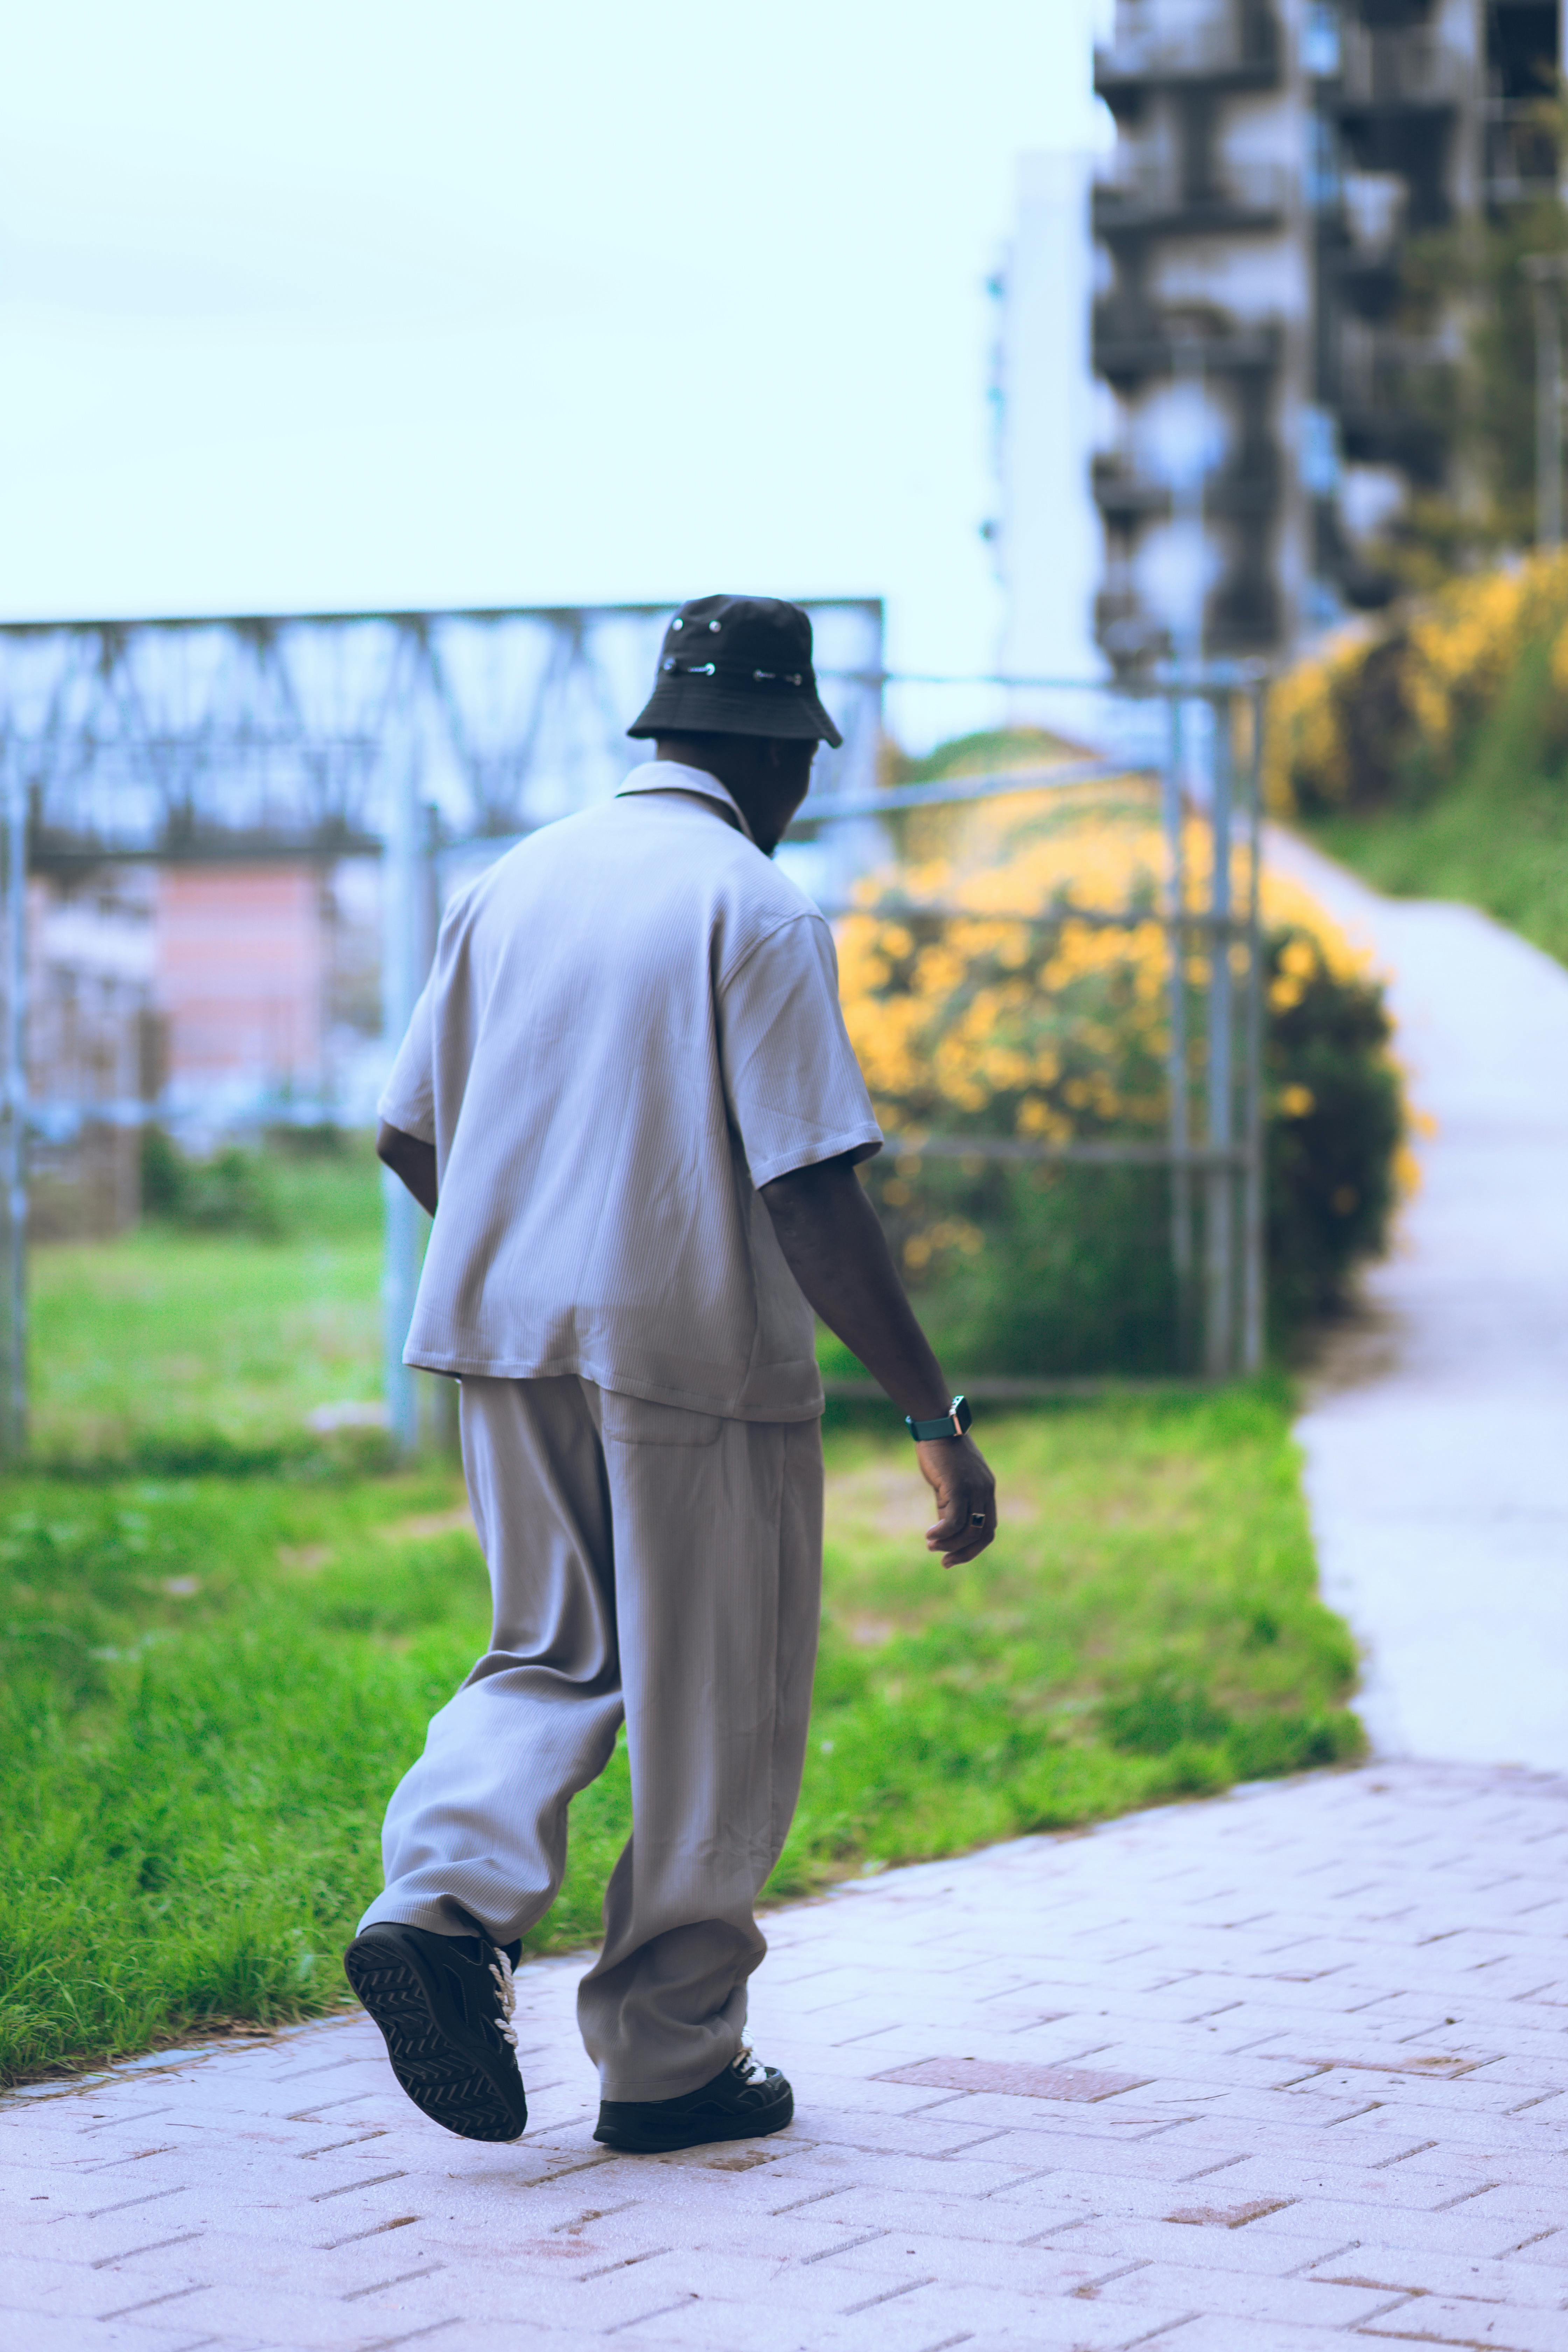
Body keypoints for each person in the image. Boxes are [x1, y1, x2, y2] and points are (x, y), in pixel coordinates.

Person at [346, 594, 996, 2156]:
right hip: (693, 1354)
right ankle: (669, 2058)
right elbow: (808, 1187)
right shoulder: (752, 906)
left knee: (548, 1651)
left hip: (500, 1337)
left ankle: (438, 1907)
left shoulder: (513, 882)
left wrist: (532, 1250)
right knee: (719, 1702)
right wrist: (933, 1415)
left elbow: (409, 1133)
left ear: (666, 729)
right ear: (782, 750)